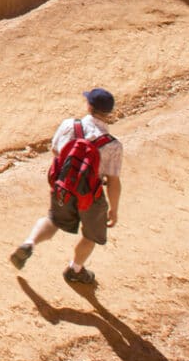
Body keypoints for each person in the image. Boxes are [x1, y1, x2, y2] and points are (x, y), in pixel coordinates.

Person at [10, 88, 124, 287]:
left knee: (53, 219)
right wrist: (114, 209)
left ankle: (29, 242)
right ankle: (75, 269)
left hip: (64, 186)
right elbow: (113, 181)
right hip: (91, 196)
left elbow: (56, 150)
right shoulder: (113, 145)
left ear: (89, 106)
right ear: (109, 113)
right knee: (90, 236)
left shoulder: (70, 125)